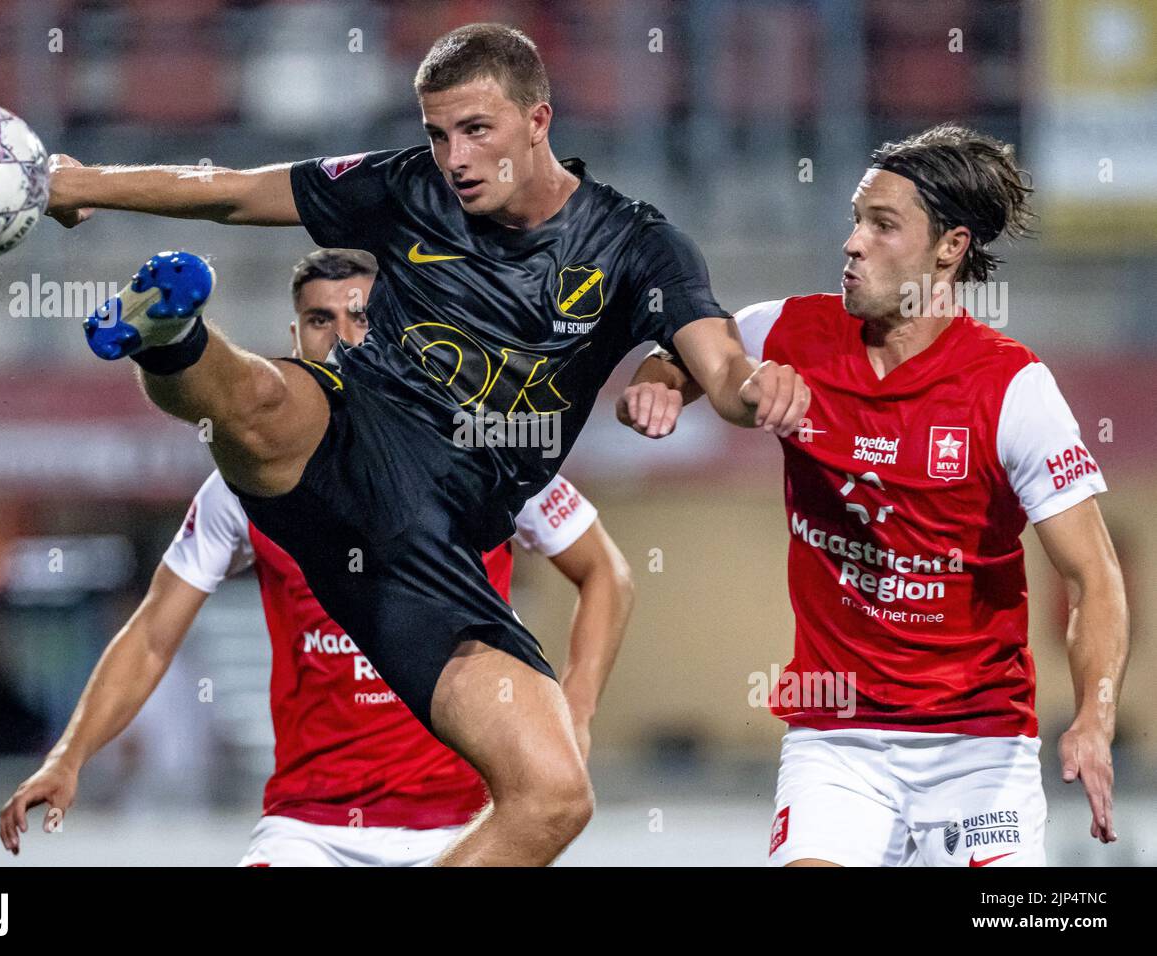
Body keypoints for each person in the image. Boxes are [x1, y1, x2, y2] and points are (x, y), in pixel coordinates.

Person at [44, 23, 808, 865]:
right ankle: (170, 336)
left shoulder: (634, 246)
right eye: (438, 133)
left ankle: (173, 340)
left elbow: (721, 359)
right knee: (262, 399)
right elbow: (232, 190)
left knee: (555, 800)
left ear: (538, 120)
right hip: (363, 433)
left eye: (476, 130)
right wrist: (86, 183)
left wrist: (753, 390)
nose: (454, 156)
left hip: (437, 549)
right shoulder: (406, 187)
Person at [0, 248, 633, 865]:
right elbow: (153, 637)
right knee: (241, 408)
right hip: (313, 829)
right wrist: (69, 755)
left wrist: (575, 713)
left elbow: (605, 572)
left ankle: (175, 340)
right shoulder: (238, 490)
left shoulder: (481, 446)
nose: (342, 336)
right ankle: (172, 340)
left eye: (360, 316)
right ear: (295, 336)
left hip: (470, 827)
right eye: (320, 320)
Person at [619, 124, 1129, 866]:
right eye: (856, 219)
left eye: (882, 225)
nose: (852, 243)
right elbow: (682, 360)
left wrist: (1094, 715)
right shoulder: (789, 330)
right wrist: (653, 392)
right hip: (836, 741)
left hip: (978, 748)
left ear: (949, 248)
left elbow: (1095, 578)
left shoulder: (1014, 390)